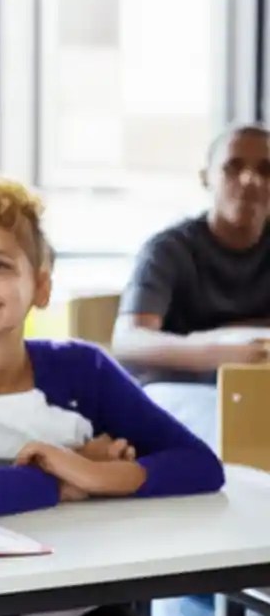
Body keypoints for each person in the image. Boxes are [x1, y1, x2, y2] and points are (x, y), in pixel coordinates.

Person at [0, 174, 223, 616]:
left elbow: (200, 466)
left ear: (41, 287)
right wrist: (68, 482)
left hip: (83, 608)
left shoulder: (83, 369)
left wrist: (91, 473)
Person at [112, 123, 270, 448]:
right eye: (233, 167)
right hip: (182, 391)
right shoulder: (169, 249)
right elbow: (128, 341)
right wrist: (219, 351)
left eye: (266, 170)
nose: (251, 180)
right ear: (206, 178)